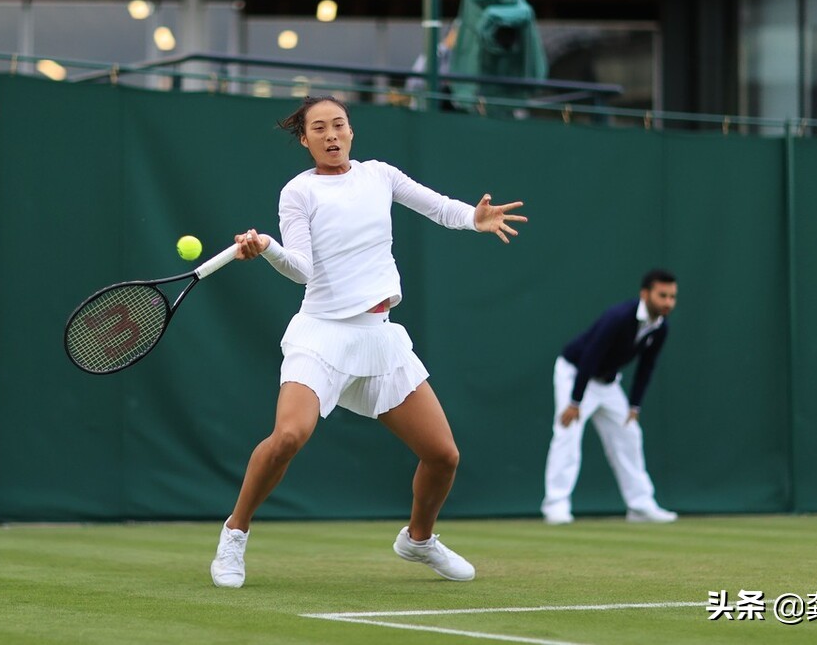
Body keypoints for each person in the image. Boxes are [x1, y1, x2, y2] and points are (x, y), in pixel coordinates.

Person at [209, 95, 527, 588]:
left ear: (351, 132)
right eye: (320, 128)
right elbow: (302, 270)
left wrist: (474, 218)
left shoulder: (380, 174)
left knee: (443, 456)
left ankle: (418, 540)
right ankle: (234, 532)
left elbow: (439, 207)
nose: (331, 134)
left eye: (339, 125)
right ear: (305, 139)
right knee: (290, 436)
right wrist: (269, 247)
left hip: (379, 339)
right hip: (322, 336)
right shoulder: (298, 192)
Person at [540, 269, 679, 525]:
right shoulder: (618, 317)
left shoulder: (661, 328)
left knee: (630, 435)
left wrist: (634, 405)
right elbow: (591, 356)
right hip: (575, 374)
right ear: (645, 294)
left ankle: (640, 506)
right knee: (567, 435)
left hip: (608, 382)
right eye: (663, 296)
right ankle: (556, 505)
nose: (668, 302)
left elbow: (647, 367)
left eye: (672, 297)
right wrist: (575, 401)